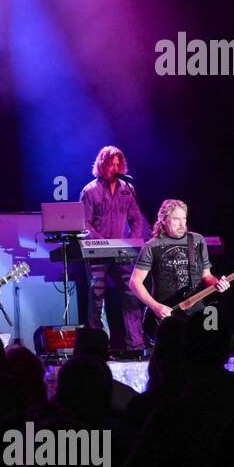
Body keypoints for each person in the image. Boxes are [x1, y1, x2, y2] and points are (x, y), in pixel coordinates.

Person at [80, 145, 148, 352]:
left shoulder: (128, 189)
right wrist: (102, 242)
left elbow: (136, 218)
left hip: (122, 252)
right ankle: (98, 347)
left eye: (119, 164)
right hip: (98, 252)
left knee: (131, 292)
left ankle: (135, 345)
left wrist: (133, 240)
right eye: (111, 164)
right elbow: (84, 223)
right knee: (97, 295)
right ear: (102, 165)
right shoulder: (90, 190)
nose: (115, 168)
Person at [128, 198, 229, 338]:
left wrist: (217, 283)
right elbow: (135, 282)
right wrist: (156, 307)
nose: (182, 224)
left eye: (184, 218)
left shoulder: (197, 240)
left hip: (197, 312)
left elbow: (207, 276)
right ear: (163, 220)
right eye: (176, 219)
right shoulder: (152, 246)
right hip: (168, 313)